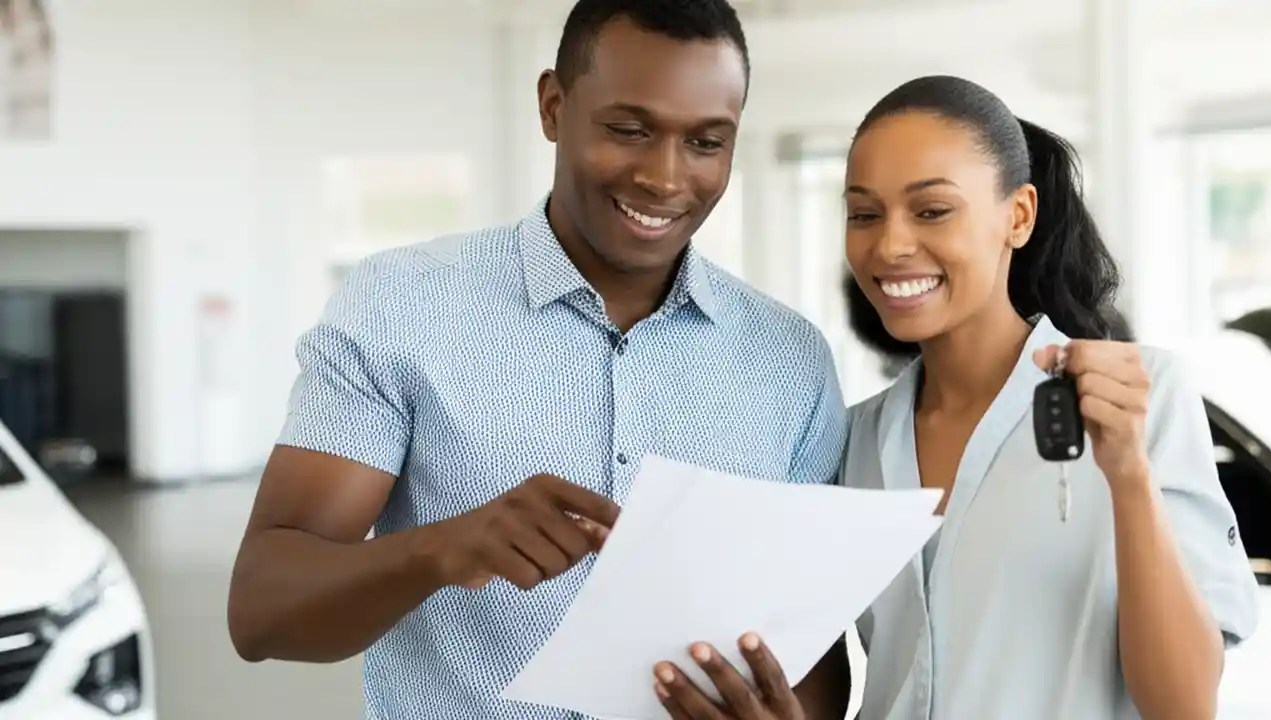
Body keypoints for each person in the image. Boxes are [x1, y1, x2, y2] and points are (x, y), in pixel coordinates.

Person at [225, 1, 851, 718]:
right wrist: (442, 549)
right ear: (554, 106)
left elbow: (810, 654)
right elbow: (261, 609)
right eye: (628, 130)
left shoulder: (791, 361)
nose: (664, 177)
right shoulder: (400, 305)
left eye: (707, 143)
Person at [655, 75, 1260, 720]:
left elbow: (1185, 706)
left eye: (932, 210)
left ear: (1017, 217)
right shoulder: (853, 440)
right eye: (863, 214)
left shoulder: (1140, 399)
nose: (889, 245)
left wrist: (1129, 478)